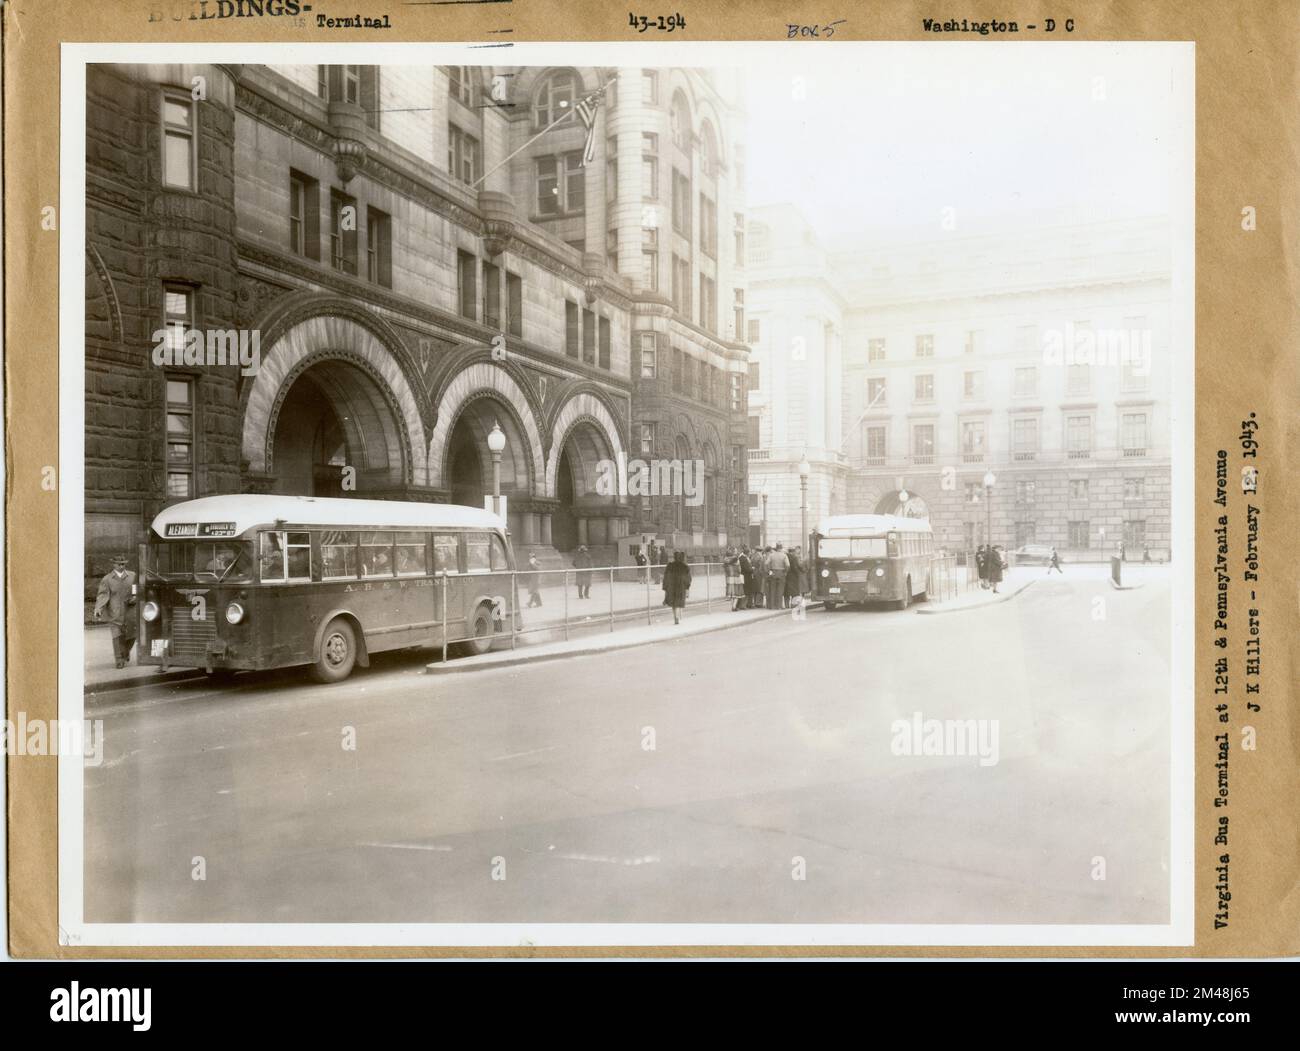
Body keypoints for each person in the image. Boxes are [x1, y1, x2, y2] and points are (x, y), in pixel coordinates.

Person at [94, 554, 137, 670]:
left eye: (123, 564)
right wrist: (98, 608)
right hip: (115, 612)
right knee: (117, 636)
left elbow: (137, 589)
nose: (122, 566)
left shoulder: (133, 576)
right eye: (119, 564)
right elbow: (103, 595)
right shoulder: (107, 579)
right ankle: (119, 660)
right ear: (114, 565)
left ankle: (126, 652)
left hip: (130, 612)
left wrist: (136, 597)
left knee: (132, 635)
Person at [662, 550, 692, 624]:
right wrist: (687, 588)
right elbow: (688, 579)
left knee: (674, 604)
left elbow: (666, 577)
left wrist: (665, 587)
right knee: (678, 603)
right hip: (681, 587)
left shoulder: (670, 566)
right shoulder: (685, 566)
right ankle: (677, 616)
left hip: (672, 587)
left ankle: (675, 617)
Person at [766, 543, 790, 611]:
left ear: (776, 548)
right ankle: (779, 606)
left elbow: (766, 563)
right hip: (781, 573)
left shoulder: (771, 555)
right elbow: (788, 565)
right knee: (780, 590)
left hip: (773, 572)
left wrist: (769, 570)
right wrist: (785, 572)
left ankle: (772, 606)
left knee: (773, 589)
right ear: (781, 548)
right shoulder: (784, 555)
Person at [723, 546, 745, 612]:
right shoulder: (736, 559)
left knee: (732, 593)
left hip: (729, 578)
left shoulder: (725, 559)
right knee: (737, 593)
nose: (736, 552)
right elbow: (739, 570)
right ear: (733, 552)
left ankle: (733, 606)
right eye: (735, 551)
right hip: (736, 577)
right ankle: (734, 606)